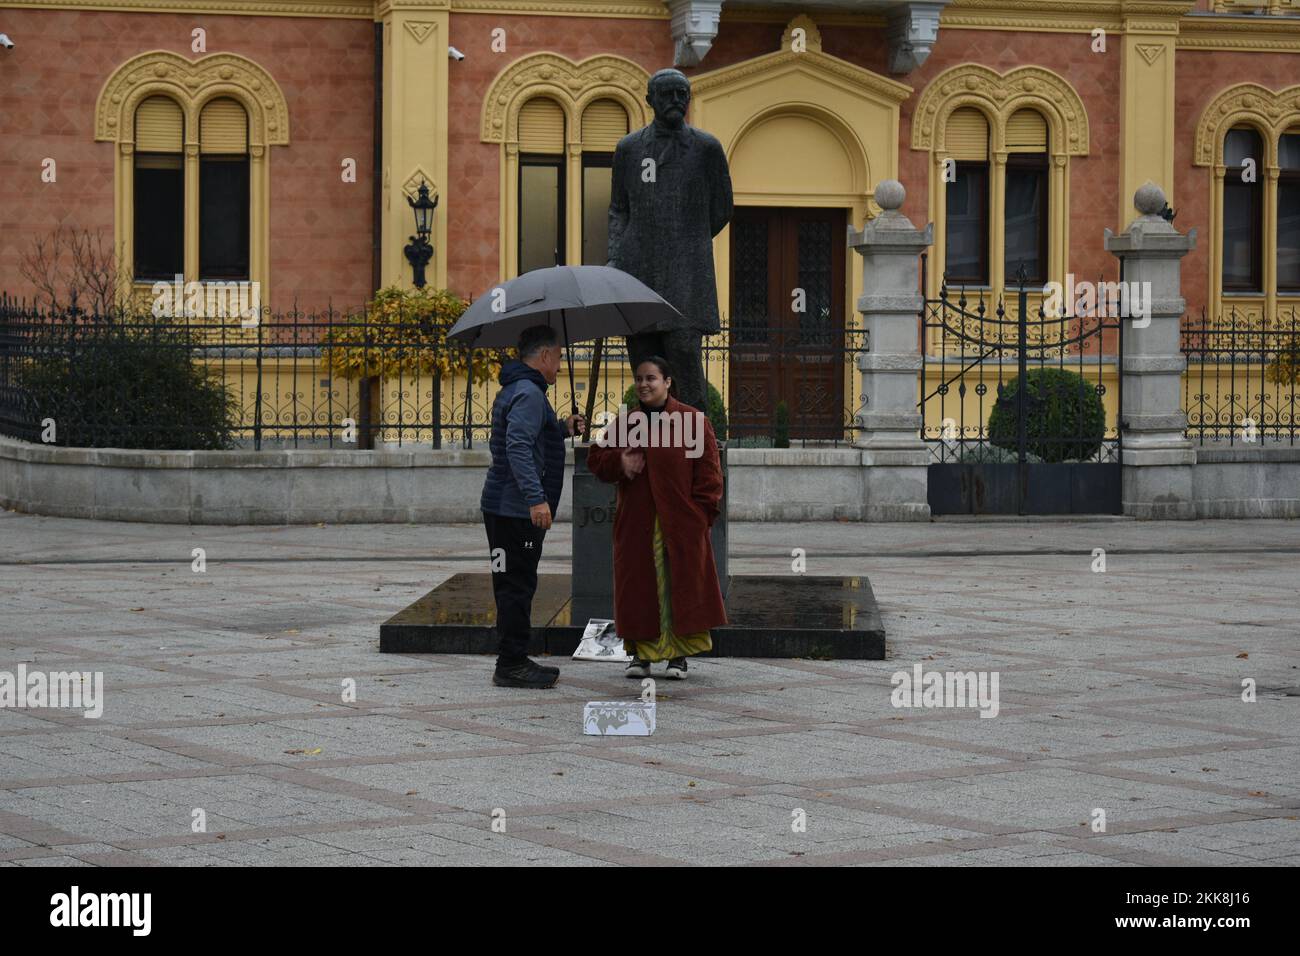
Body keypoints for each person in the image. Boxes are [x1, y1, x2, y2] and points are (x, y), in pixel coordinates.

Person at [586, 356, 726, 679]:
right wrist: (619, 462)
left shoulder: (691, 421)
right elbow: (597, 460)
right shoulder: (626, 423)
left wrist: (702, 514)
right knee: (639, 589)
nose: (644, 384)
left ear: (667, 382)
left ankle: (678, 658)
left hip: (681, 525)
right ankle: (639, 656)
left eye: (651, 378)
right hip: (637, 525)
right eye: (639, 378)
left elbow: (709, 473)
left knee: (680, 587)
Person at [607, 68, 733, 411]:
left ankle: (696, 443)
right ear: (650, 100)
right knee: (644, 367)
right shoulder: (629, 149)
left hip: (686, 277)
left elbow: (723, 207)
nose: (676, 101)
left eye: (682, 94)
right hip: (638, 272)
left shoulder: (707, 148)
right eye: (668, 94)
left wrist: (685, 238)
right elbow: (619, 210)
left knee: (685, 361)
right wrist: (617, 257)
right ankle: (649, 441)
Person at [480, 325, 584, 688]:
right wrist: (536, 500)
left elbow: (529, 438)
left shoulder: (520, 388)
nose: (558, 365)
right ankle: (511, 664)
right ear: (544, 356)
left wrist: (561, 428)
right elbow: (518, 448)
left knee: (511, 582)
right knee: (516, 585)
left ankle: (513, 659)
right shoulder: (529, 392)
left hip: (502, 506)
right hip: (513, 511)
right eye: (557, 357)